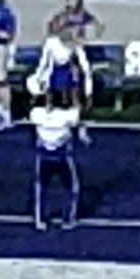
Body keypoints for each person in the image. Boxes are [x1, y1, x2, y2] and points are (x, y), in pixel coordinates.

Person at [32, 89, 85, 231]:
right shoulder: (67, 116)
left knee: (41, 188)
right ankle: (68, 219)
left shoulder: (37, 114)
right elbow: (77, 112)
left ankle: (40, 220)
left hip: (44, 156)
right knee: (71, 187)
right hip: (62, 157)